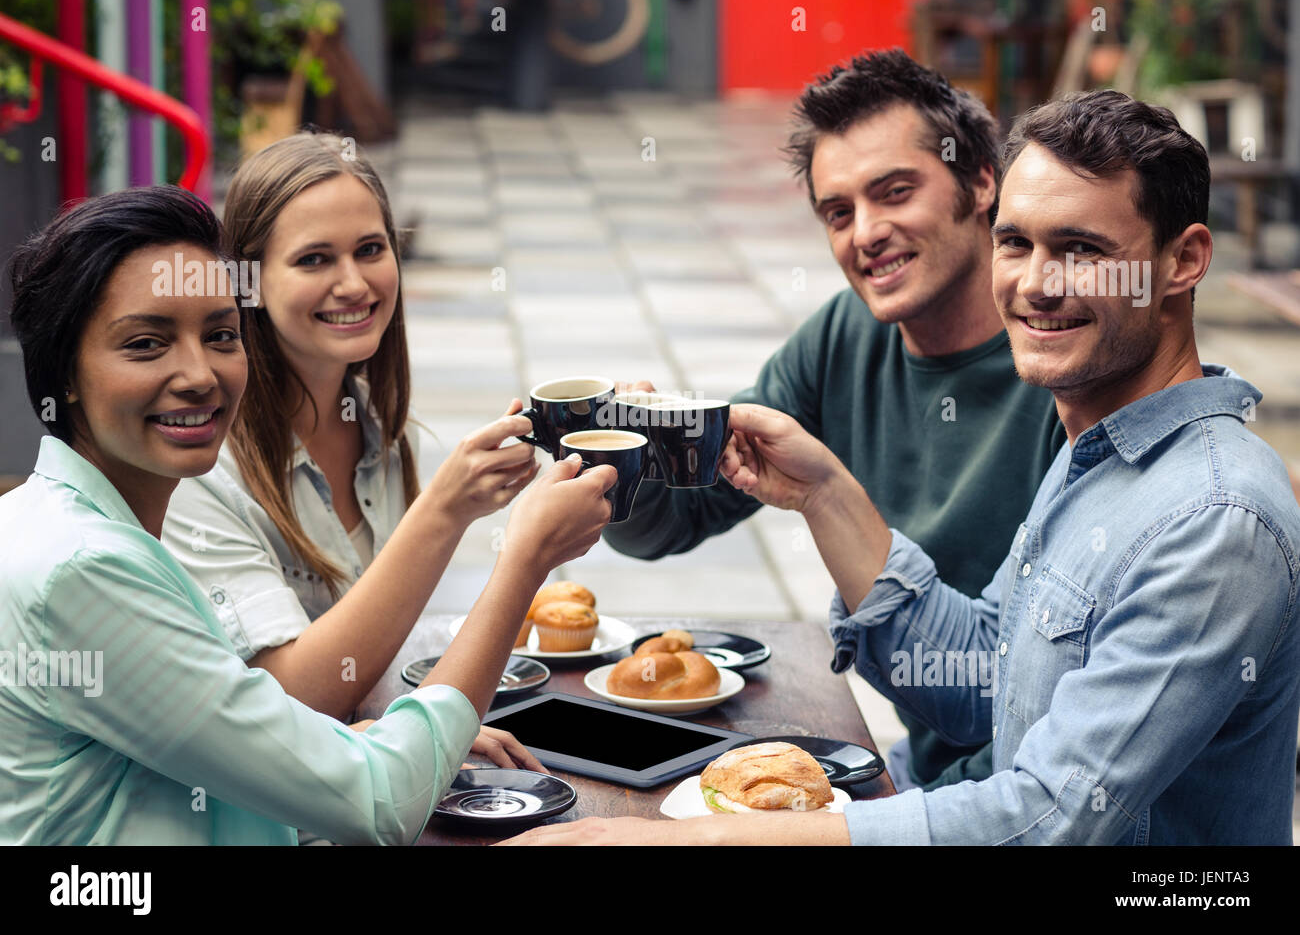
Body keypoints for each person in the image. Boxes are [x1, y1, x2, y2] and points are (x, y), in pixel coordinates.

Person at [506, 90, 1300, 845]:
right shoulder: (1101, 446)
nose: (1033, 283)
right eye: (1016, 244)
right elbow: (984, 683)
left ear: (1184, 260)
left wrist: (709, 835)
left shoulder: (1213, 521)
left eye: (1082, 250)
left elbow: (1050, 819)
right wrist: (822, 492)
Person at [0, 185, 615, 844]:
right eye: (147, 343)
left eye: (220, 336)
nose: (200, 374)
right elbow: (375, 803)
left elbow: (198, 734)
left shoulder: (63, 521)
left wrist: (352, 740)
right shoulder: (85, 570)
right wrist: (522, 560)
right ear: (64, 370)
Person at [607, 49, 1065, 791]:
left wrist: (884, 818)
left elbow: (1029, 707)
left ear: (984, 181)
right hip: (928, 771)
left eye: (894, 193)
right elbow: (671, 525)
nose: (866, 233)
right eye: (839, 212)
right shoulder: (845, 336)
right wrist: (624, 458)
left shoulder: (1060, 368)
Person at [161, 133, 540, 769]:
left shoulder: (389, 438)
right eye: (314, 260)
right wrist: (459, 520)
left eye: (370, 249)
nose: (353, 283)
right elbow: (287, 702)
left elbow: (354, 680)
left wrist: (415, 725)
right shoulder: (202, 467)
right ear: (249, 282)